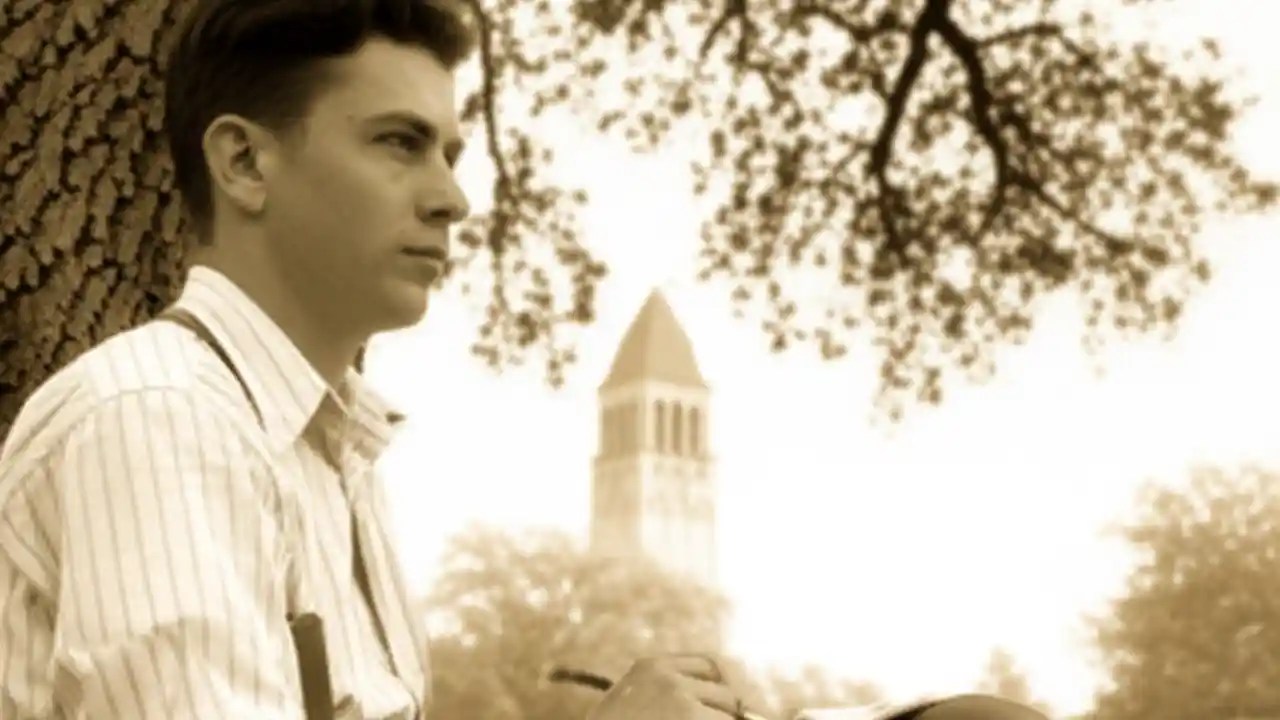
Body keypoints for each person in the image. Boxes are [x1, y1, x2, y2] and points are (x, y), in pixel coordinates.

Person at [0, 0, 758, 718]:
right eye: (401, 143)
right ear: (244, 163)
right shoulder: (159, 419)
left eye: (451, 155)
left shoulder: (328, 451)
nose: (452, 198)